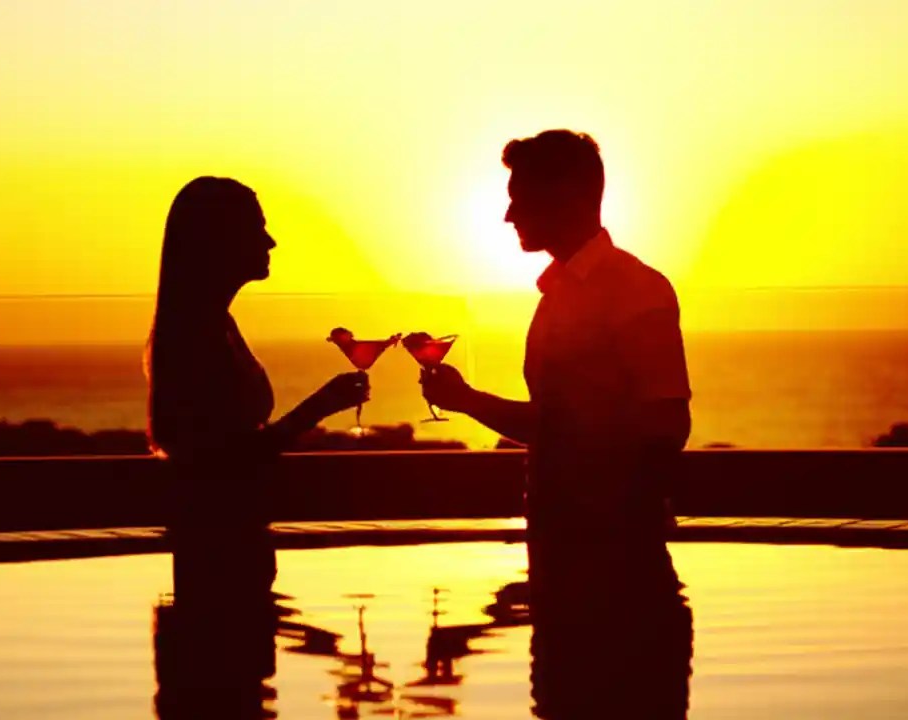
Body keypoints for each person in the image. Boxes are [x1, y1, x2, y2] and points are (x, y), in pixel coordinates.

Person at [421, 130, 694, 718]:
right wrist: (467, 400)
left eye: (520, 197)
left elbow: (666, 423)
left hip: (617, 578)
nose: (507, 213)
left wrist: (617, 543)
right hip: (564, 565)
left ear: (567, 196)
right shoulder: (559, 294)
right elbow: (556, 426)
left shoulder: (636, 289)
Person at [145, 176, 368, 638]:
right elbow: (221, 459)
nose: (270, 240)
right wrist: (319, 406)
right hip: (217, 548)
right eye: (256, 228)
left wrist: (302, 635)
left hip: (237, 541)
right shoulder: (195, 334)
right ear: (218, 241)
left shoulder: (214, 323)